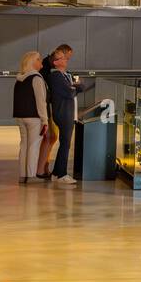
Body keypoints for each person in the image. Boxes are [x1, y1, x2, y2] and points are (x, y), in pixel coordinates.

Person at [46, 44, 84, 185]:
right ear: (56, 62)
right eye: (62, 58)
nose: (66, 59)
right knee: (65, 144)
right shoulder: (55, 76)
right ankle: (61, 174)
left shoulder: (63, 76)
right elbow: (70, 92)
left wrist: (76, 87)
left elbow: (75, 88)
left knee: (65, 143)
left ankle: (56, 172)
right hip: (63, 114)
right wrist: (77, 87)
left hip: (68, 113)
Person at [12, 51, 48, 184]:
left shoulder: (19, 79)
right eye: (39, 60)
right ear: (33, 62)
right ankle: (32, 176)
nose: (42, 64)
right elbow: (41, 101)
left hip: (20, 116)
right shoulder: (36, 78)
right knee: (34, 146)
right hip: (34, 117)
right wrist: (45, 120)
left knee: (24, 145)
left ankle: (23, 175)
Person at [35, 50, 58, 180]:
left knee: (51, 137)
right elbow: (42, 97)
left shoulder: (45, 71)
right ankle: (41, 169)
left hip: (45, 111)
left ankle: (43, 167)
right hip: (43, 112)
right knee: (50, 137)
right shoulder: (42, 73)